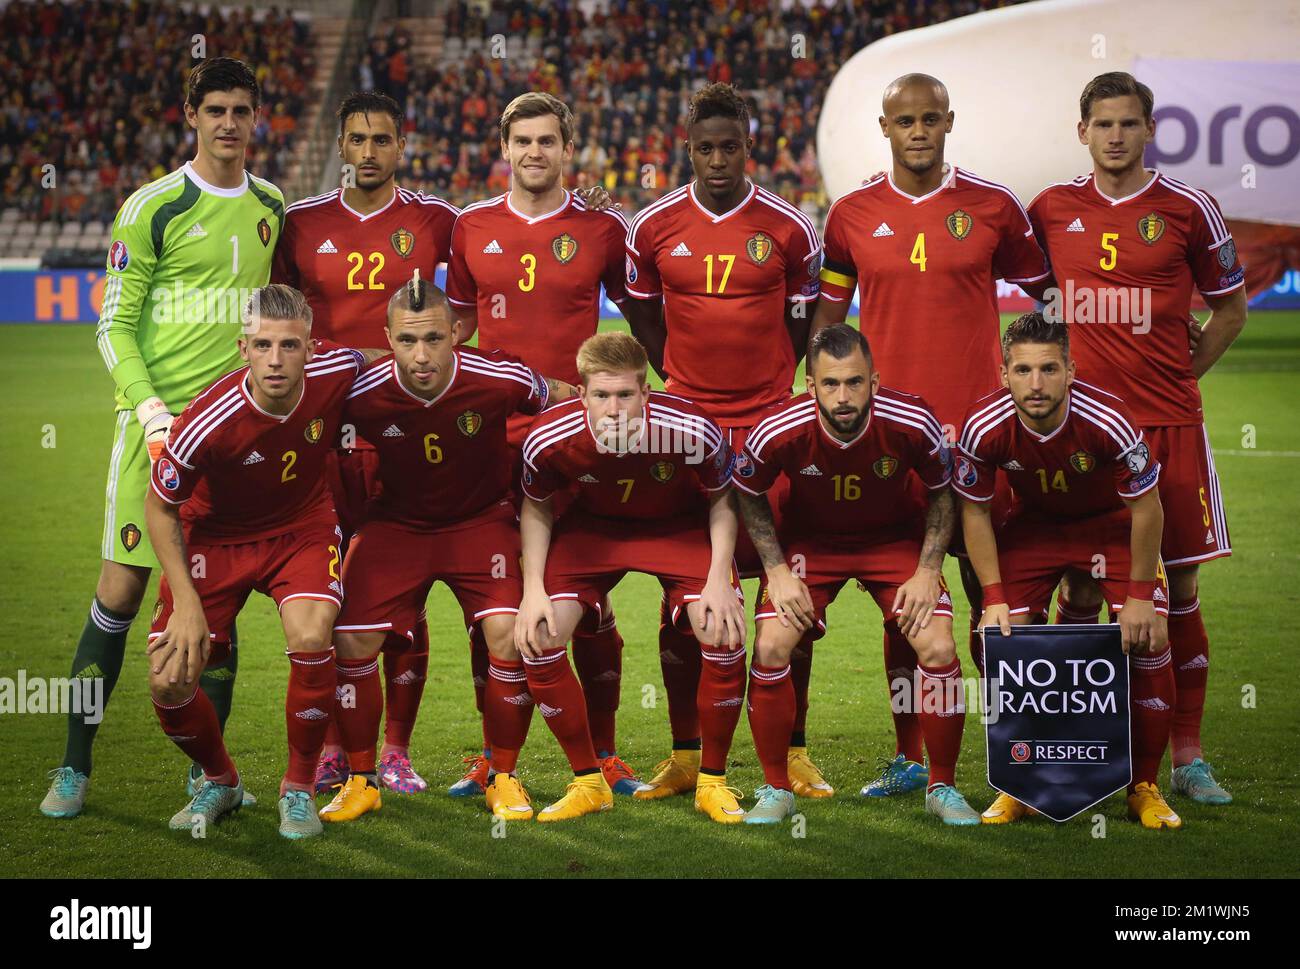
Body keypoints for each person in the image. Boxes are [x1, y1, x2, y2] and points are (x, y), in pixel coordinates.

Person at [43, 58, 285, 819]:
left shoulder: (273, 204)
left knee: (219, 606)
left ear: (256, 118)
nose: (228, 123)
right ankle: (74, 766)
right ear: (191, 114)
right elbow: (112, 323)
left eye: (241, 110)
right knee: (119, 592)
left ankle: (207, 775)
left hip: (231, 441)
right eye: (214, 108)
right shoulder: (152, 207)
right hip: (153, 434)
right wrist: (149, 411)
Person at [808, 73, 1050, 798]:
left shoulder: (994, 207)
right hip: (890, 443)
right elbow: (828, 320)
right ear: (884, 128)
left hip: (980, 441)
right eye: (903, 120)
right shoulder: (851, 214)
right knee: (905, 602)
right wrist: (821, 394)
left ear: (949, 121)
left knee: (995, 600)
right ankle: (913, 756)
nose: (918, 130)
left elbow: (1048, 299)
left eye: (929, 119)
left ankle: (1025, 757)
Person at [1027, 72, 1247, 805]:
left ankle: (1187, 754)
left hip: (1168, 427)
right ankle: (1079, 750)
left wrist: (1188, 374)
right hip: (1083, 434)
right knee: (1082, 584)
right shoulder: (1051, 209)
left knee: (1177, 586)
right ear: (1081, 130)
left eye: (1128, 123)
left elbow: (1231, 308)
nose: (1115, 135)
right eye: (1103, 123)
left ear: (1149, 128)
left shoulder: (1189, 208)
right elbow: (1042, 309)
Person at [322, 274, 598, 823]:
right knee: (349, 640)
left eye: (433, 339)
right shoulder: (361, 389)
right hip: (396, 525)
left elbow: (567, 397)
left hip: (480, 521)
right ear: (387, 338)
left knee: (509, 636)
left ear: (456, 333)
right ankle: (360, 779)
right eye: (406, 341)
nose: (420, 355)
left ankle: (504, 775)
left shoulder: (498, 376)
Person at [624, 82, 826, 800]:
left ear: (750, 145)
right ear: (688, 147)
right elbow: (644, 319)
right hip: (687, 429)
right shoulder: (651, 228)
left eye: (730, 146)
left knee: (785, 594)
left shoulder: (789, 227)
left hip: (769, 426)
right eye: (704, 146)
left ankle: (794, 750)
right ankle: (684, 756)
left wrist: (774, 382)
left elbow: (806, 326)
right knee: (682, 602)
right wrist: (676, 376)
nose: (717, 158)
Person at [445, 91, 640, 797]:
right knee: (493, 606)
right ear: (505, 148)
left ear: (567, 148)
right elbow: (457, 335)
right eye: (522, 140)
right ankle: (496, 760)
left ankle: (607, 753)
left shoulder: (602, 229)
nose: (534, 152)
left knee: (588, 601)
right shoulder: (469, 229)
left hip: (578, 446)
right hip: (492, 448)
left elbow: (644, 319)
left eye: (547, 141)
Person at [272, 89, 460, 796]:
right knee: (326, 595)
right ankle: (325, 748)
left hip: (403, 434)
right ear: (341, 144)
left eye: (383, 139)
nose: (370, 151)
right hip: (322, 435)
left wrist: (589, 200)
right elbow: (279, 320)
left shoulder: (436, 219)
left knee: (402, 597)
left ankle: (397, 751)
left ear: (400, 144)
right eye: (358, 139)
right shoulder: (298, 224)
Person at [144, 285, 373, 839]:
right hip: (214, 539)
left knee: (314, 632)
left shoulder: (340, 367)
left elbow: (397, 366)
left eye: (289, 346)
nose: (276, 360)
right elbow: (159, 507)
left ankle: (297, 790)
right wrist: (187, 605)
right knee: (169, 680)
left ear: (312, 348)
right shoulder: (206, 419)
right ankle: (222, 781)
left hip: (301, 527)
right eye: (263, 345)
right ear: (242, 348)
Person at [734, 324, 979, 825]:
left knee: (937, 646)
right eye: (830, 384)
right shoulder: (778, 427)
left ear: (875, 381)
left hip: (893, 542)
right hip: (811, 545)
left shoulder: (912, 420)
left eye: (854, 382)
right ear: (811, 385)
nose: (843, 397)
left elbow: (942, 490)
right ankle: (775, 789)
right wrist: (776, 570)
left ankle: (943, 787)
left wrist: (929, 568)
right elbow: (747, 489)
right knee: (771, 646)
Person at [956, 311, 1180, 830]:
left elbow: (1148, 509)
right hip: (1036, 528)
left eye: (1049, 369)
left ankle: (1142, 786)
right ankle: (1021, 781)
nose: (1036, 384)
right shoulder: (983, 425)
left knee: (1150, 638)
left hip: (1112, 527)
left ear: (1071, 370)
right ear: (1004, 373)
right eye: (1024, 370)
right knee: (1000, 638)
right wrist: (992, 597)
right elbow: (973, 511)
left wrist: (1142, 595)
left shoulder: (1109, 420)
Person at [516, 332, 748, 823]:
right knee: (539, 635)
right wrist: (532, 589)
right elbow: (536, 505)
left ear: (646, 392)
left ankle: (708, 777)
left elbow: (722, 498)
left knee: (721, 630)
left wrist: (719, 579)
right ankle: (588, 780)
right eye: (601, 395)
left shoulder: (689, 428)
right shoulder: (550, 435)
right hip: (593, 533)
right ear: (582, 395)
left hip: (677, 528)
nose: (614, 407)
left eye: (626, 394)